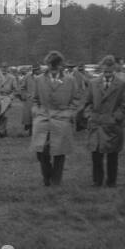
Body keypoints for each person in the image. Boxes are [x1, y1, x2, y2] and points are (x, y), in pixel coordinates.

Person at [30, 50, 83, 186]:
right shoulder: (39, 79)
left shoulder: (70, 80)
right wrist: (36, 111)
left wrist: (70, 113)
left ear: (61, 66)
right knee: (41, 150)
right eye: (50, 66)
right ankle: (46, 176)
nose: (53, 70)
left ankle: (56, 180)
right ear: (47, 65)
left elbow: (76, 99)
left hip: (61, 118)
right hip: (43, 118)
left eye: (56, 66)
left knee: (60, 151)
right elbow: (35, 99)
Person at [79, 55, 125, 187]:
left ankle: (111, 181)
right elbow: (88, 102)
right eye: (105, 71)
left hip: (113, 125)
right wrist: (89, 115)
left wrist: (115, 118)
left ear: (114, 69)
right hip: (96, 124)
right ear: (102, 69)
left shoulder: (122, 84)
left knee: (112, 155)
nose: (107, 74)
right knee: (96, 155)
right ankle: (97, 181)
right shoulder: (93, 83)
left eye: (110, 71)